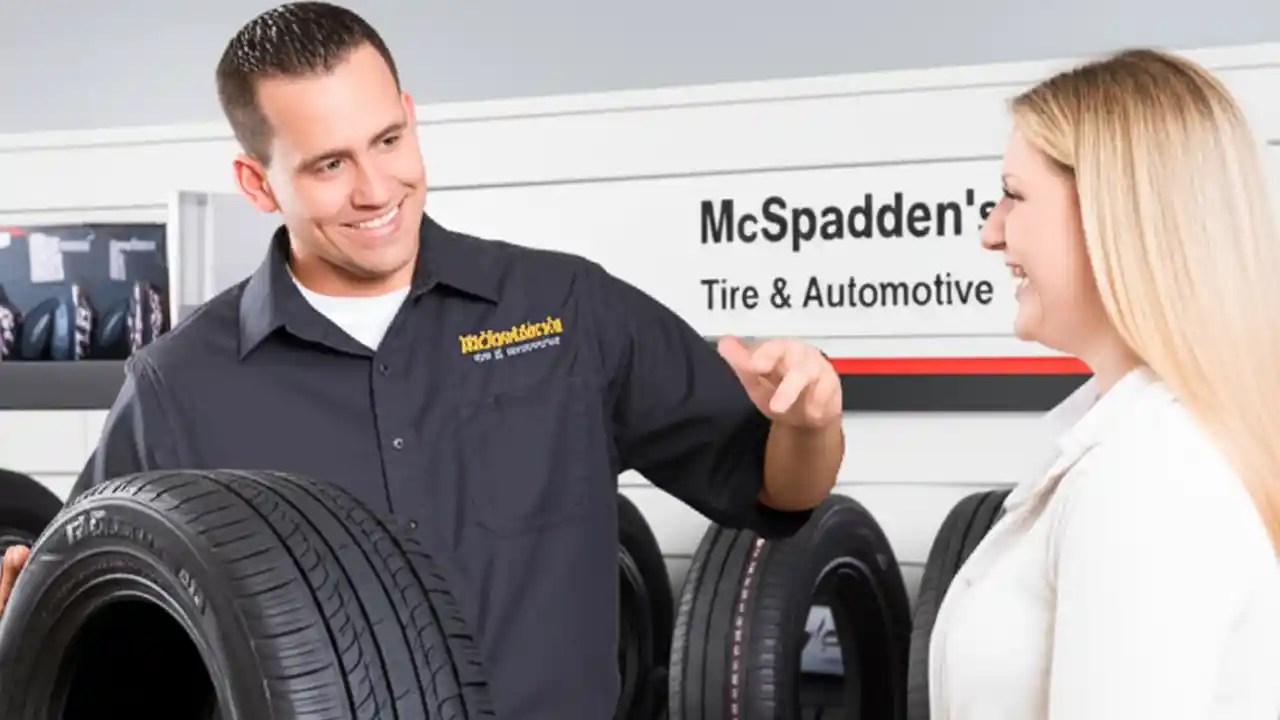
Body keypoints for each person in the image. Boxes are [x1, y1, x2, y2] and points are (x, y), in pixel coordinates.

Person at [0, 3, 843, 718]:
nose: (376, 189)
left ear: (409, 114)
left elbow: (776, 489)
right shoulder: (178, 386)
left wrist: (810, 424)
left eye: (389, 139)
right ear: (258, 183)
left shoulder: (566, 308)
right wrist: (21, 596)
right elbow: (87, 609)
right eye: (330, 164)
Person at [928, 48, 1280, 719]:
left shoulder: (1154, 474)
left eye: (1014, 195)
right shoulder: (1140, 448)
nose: (990, 232)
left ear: (1113, 214)